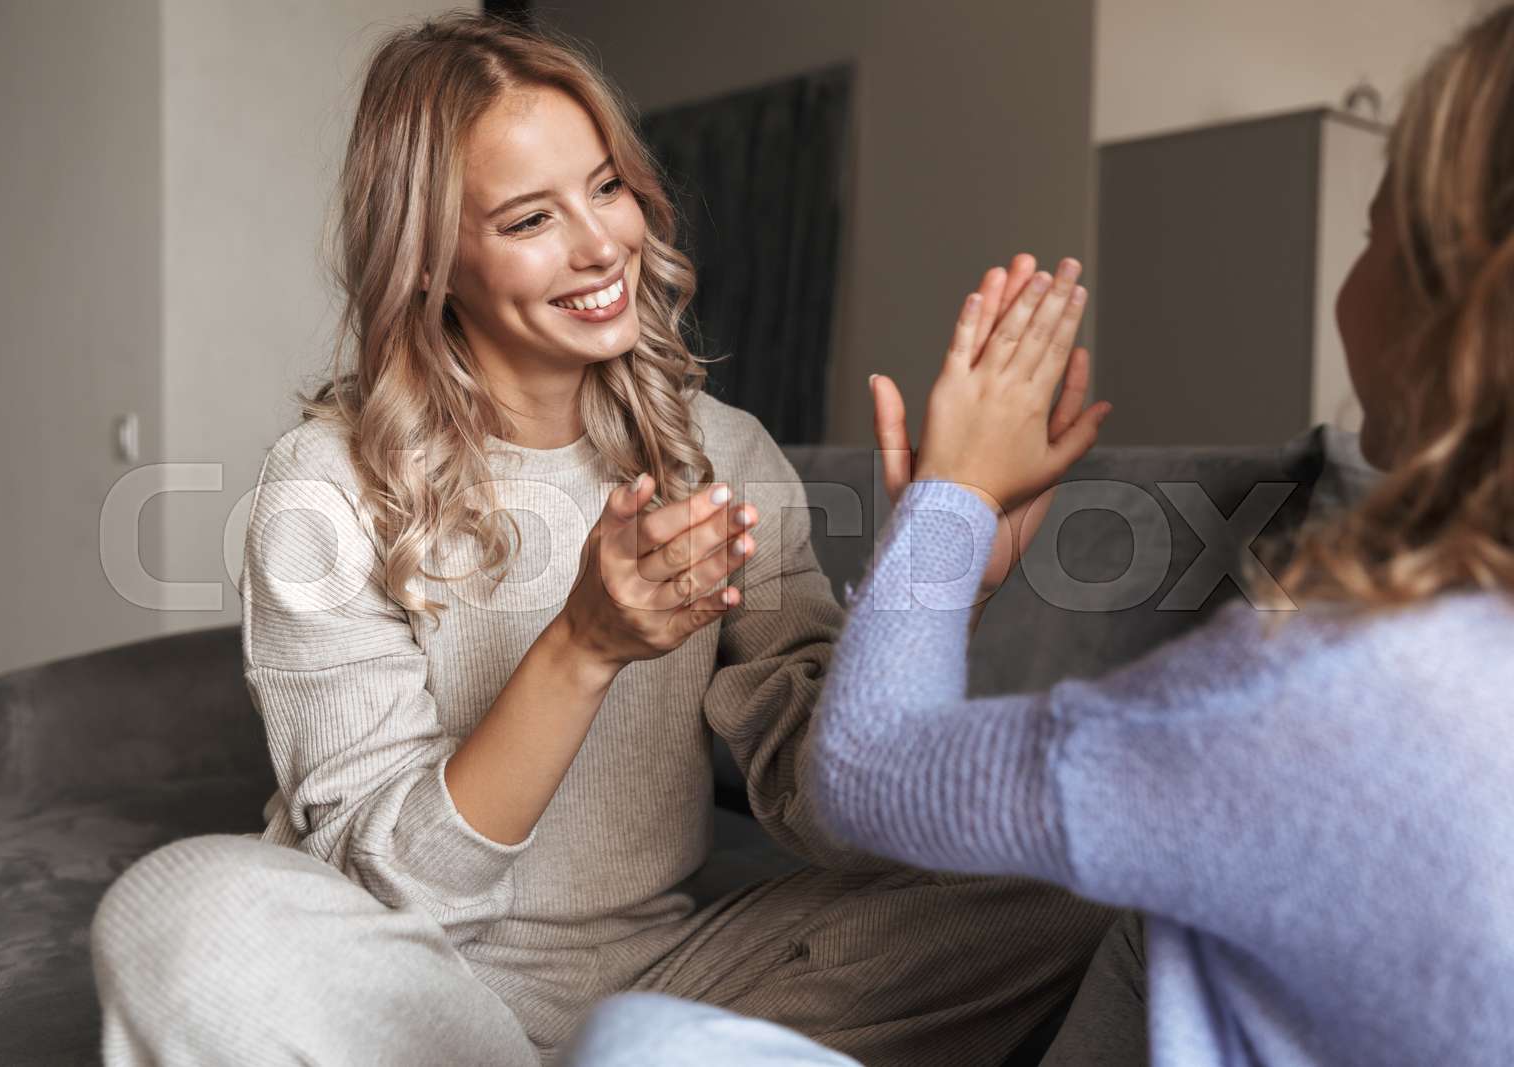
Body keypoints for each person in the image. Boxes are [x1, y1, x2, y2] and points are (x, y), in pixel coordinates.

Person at [86, 13, 1117, 1066]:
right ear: (432, 260)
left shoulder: (724, 454)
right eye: (532, 217)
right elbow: (388, 883)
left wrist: (936, 584)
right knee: (182, 907)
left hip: (665, 979)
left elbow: (832, 812)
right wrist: (582, 644)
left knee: (1086, 855)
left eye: (608, 187)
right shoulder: (323, 487)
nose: (600, 245)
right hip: (407, 989)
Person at [564, 6, 1514, 1066]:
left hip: (743, 918)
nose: (598, 240)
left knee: (644, 1042)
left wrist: (954, 502)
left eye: (1374, 232)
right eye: (526, 218)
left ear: (1459, 302)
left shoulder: (1327, 690)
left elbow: (864, 772)